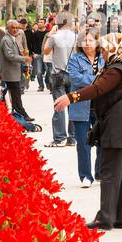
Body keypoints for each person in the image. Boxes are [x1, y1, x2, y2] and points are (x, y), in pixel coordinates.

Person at [54, 33, 122, 230]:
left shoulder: (117, 70)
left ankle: (105, 217)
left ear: (114, 49)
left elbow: (97, 89)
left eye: (104, 50)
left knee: (110, 173)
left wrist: (71, 97)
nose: (102, 54)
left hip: (119, 129)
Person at [65, 32, 101, 188]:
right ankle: (86, 176)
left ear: (97, 42)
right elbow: (75, 79)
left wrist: (99, 82)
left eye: (90, 40)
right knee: (83, 143)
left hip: (101, 106)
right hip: (81, 106)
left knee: (103, 141)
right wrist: (99, 82)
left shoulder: (103, 58)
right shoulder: (74, 59)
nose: (87, 43)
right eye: (84, 41)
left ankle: (100, 172)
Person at [43, 13, 79, 148]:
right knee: (72, 106)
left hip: (58, 73)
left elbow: (46, 52)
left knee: (59, 105)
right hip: (73, 74)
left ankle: (59, 138)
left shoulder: (54, 37)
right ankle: (72, 137)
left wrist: (50, 33)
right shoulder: (76, 37)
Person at [0, 20, 33, 119]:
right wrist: (24, 59)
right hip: (9, 72)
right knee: (16, 94)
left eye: (16, 28)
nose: (15, 30)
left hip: (13, 71)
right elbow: (9, 55)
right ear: (8, 28)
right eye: (13, 28)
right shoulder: (6, 40)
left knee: (14, 94)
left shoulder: (11, 38)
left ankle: (17, 113)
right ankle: (22, 113)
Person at [25, 18, 48, 92]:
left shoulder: (48, 33)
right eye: (39, 22)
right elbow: (32, 44)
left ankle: (49, 84)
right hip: (38, 55)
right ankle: (41, 86)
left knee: (49, 71)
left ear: (45, 24)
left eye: (41, 22)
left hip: (47, 55)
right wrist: (33, 53)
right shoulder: (35, 34)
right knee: (39, 72)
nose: (39, 23)